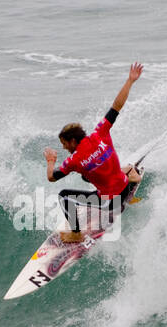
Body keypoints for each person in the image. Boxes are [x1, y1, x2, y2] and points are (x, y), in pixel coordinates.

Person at [44, 62, 144, 243]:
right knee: (87, 175)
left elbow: (51, 177)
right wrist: (130, 81)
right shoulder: (101, 132)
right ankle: (130, 175)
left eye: (65, 144)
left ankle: (75, 234)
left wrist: (51, 160)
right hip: (124, 187)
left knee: (64, 196)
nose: (65, 147)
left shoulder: (74, 161)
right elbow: (117, 106)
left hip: (110, 201)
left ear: (73, 141)